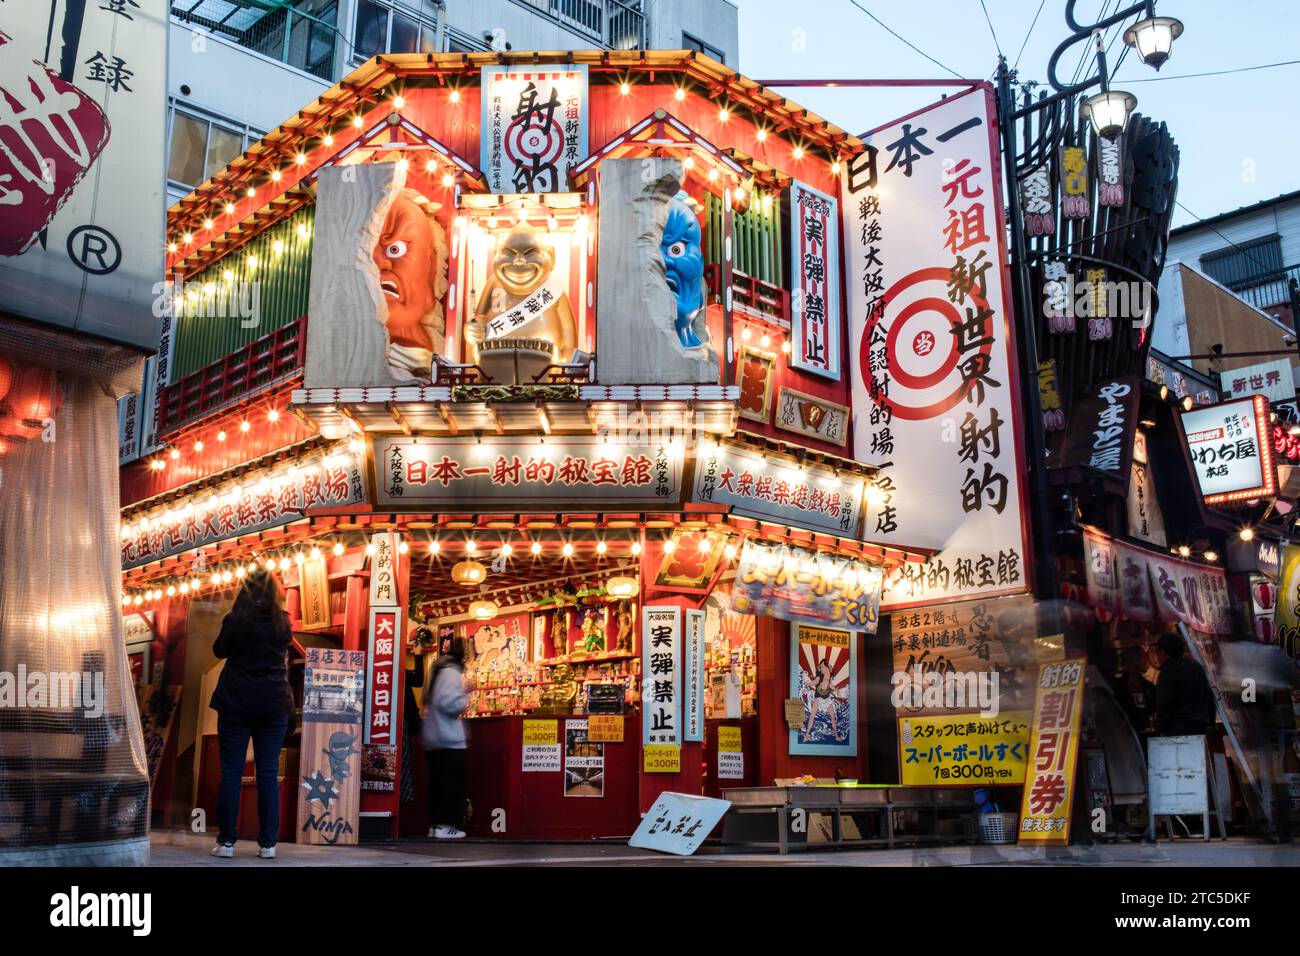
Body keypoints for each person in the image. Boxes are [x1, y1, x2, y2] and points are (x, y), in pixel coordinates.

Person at [209, 567, 293, 859]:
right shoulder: (282, 623)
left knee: (231, 771)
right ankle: (268, 844)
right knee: (267, 773)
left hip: (236, 701)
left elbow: (219, 651)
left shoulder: (235, 621)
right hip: (272, 704)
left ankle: (227, 842)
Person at [421, 637, 472, 839]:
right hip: (449, 738)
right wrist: (465, 694)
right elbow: (450, 703)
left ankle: (435, 825)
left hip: (434, 737)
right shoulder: (452, 673)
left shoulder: (439, 670)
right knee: (451, 785)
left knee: (438, 784)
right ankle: (446, 825)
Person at [1154, 631, 1216, 737]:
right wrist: (1211, 723)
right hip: (1201, 728)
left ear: (1164, 652)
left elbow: (1164, 703)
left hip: (1178, 731)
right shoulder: (1196, 666)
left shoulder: (1169, 671)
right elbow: (1210, 696)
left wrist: (1161, 727)